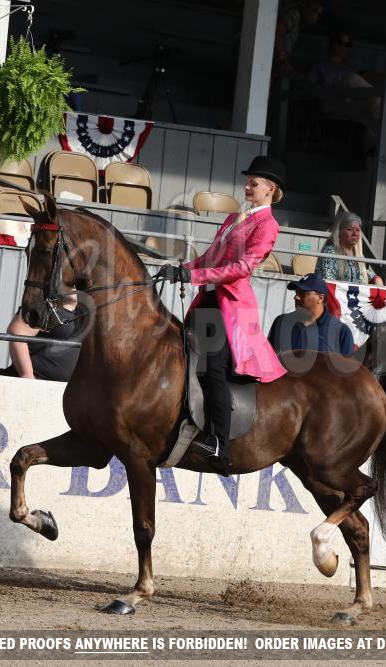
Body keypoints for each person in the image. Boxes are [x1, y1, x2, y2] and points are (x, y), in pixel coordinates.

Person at [157, 155, 289, 475]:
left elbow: (243, 268)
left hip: (229, 307)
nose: (247, 187)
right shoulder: (234, 217)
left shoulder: (267, 225)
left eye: (254, 183)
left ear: (270, 190)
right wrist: (181, 270)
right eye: (247, 182)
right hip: (206, 301)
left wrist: (195, 276)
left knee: (212, 368)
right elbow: (209, 257)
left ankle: (219, 444)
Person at [0, 293, 81, 382]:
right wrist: (28, 377)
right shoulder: (44, 305)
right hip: (37, 383)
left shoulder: (85, 312)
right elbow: (17, 333)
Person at [268, 272, 353, 356]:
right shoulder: (280, 322)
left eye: (302, 294)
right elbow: (266, 358)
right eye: (296, 293)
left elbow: (346, 364)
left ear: (320, 298)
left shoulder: (342, 332)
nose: (296, 297)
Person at [316, 211, 383, 285]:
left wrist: (375, 278)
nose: (355, 233)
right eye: (349, 229)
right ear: (339, 232)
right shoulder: (330, 252)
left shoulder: (357, 253)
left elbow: (361, 273)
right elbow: (328, 282)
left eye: (357, 230)